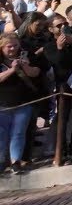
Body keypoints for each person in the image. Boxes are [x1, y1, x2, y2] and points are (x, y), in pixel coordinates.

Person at [0, 33, 41, 174]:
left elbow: (36, 72)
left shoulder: (26, 55)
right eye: (9, 46)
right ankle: (1, 161)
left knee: (18, 133)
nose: (13, 49)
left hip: (23, 101)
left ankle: (15, 161)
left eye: (15, 45)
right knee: (2, 133)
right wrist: (12, 70)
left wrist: (25, 67)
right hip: (2, 103)